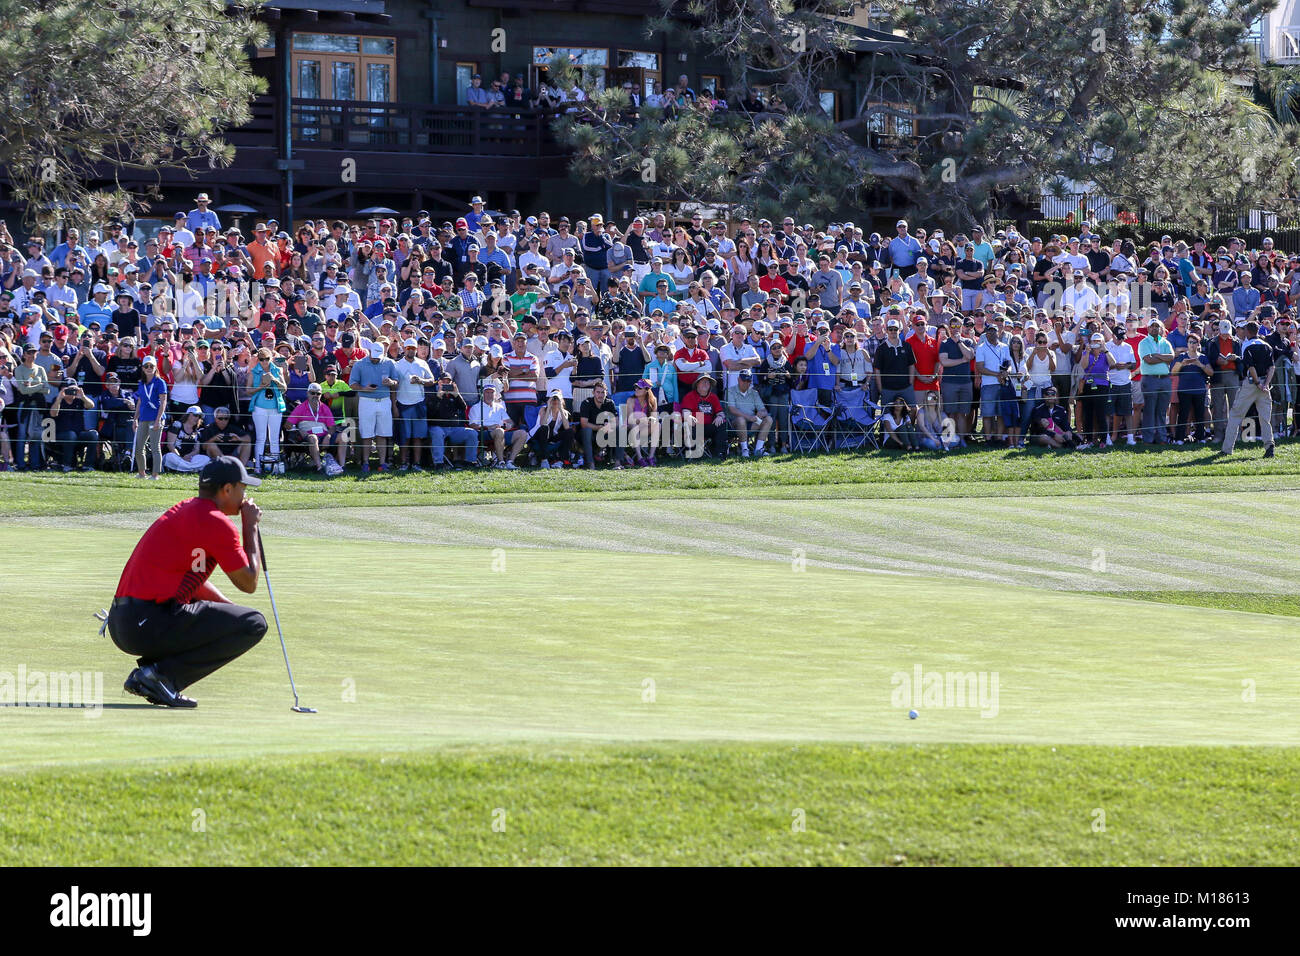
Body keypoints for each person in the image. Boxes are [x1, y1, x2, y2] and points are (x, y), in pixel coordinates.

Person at [104, 456, 268, 708]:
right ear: (227, 489)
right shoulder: (217, 522)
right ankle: (161, 677)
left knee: (242, 620)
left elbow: (192, 580)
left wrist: (228, 611)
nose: (245, 494)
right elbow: (249, 582)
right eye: (242, 488)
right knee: (254, 624)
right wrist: (250, 527)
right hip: (147, 621)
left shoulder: (188, 510)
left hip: (126, 623)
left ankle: (155, 673)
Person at [1221, 321, 1277, 457]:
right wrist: (1266, 384)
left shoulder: (1247, 345)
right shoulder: (1267, 346)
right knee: (1265, 418)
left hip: (1252, 383)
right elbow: (1272, 367)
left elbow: (1251, 367)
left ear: (1247, 332)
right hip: (1265, 385)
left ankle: (1227, 449)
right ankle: (1269, 446)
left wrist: (1257, 382)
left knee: (1235, 414)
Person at [349, 341, 399, 473]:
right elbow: (352, 384)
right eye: (374, 355)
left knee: (383, 434)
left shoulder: (389, 363)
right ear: (369, 352)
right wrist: (364, 389)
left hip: (384, 400)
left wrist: (391, 382)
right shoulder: (359, 364)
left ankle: (382, 463)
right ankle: (366, 463)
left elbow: (396, 381)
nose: (376, 358)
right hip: (366, 401)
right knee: (367, 434)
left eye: (378, 356)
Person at [467, 380, 528, 468]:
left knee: (522, 433)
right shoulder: (476, 407)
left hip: (501, 432)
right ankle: (501, 462)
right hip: (484, 433)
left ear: (495, 395)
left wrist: (509, 424)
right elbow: (472, 425)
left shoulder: (499, 407)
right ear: (482, 394)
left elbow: (509, 421)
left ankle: (510, 461)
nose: (489, 395)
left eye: (492, 393)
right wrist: (488, 427)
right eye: (487, 392)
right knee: (499, 431)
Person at [246, 347, 287, 473]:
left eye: (267, 359)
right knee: (261, 438)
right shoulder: (254, 372)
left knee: (274, 438)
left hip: (275, 407)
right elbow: (248, 391)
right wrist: (261, 387)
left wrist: (274, 380)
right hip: (259, 408)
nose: (264, 362)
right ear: (258, 359)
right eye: (262, 359)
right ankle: (258, 467)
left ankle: (275, 468)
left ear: (271, 359)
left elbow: (284, 388)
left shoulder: (277, 370)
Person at [286, 382, 338, 472]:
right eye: (312, 393)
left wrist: (328, 436)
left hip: (324, 436)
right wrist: (298, 430)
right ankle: (319, 468)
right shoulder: (300, 407)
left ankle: (341, 466)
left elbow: (332, 427)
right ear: (307, 393)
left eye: (318, 394)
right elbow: (287, 425)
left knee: (343, 437)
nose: (315, 395)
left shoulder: (325, 408)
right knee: (313, 438)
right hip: (309, 436)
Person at [132, 354, 168, 478]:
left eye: (151, 366)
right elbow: (140, 401)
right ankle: (142, 473)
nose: (148, 368)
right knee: (139, 447)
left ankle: (155, 475)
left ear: (155, 367)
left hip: (155, 418)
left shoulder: (160, 382)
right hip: (143, 418)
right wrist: (135, 419)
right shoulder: (141, 383)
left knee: (155, 447)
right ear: (142, 368)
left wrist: (158, 420)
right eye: (146, 366)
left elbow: (163, 402)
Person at [726, 368, 772, 457]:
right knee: (741, 420)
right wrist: (749, 417)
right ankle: (744, 450)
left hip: (751, 423)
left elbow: (763, 410)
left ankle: (758, 449)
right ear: (738, 380)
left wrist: (762, 413)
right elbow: (732, 409)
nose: (746, 383)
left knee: (768, 419)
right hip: (735, 424)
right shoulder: (730, 391)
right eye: (744, 380)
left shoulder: (754, 393)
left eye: (748, 381)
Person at [529, 390, 576, 468]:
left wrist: (561, 409)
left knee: (570, 431)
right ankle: (544, 460)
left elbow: (567, 428)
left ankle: (561, 460)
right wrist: (548, 408)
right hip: (538, 435)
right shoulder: (543, 409)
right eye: (553, 399)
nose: (555, 401)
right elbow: (542, 424)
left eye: (557, 399)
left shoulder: (563, 412)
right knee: (545, 427)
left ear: (561, 400)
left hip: (551, 436)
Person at [163, 406, 211, 473]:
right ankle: (191, 469)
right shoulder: (177, 425)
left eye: (199, 416)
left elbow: (196, 450)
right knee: (169, 457)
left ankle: (183, 469)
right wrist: (180, 457)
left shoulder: (197, 432)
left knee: (206, 459)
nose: (197, 418)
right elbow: (170, 445)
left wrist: (189, 456)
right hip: (176, 456)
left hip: (189, 458)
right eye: (195, 415)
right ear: (188, 414)